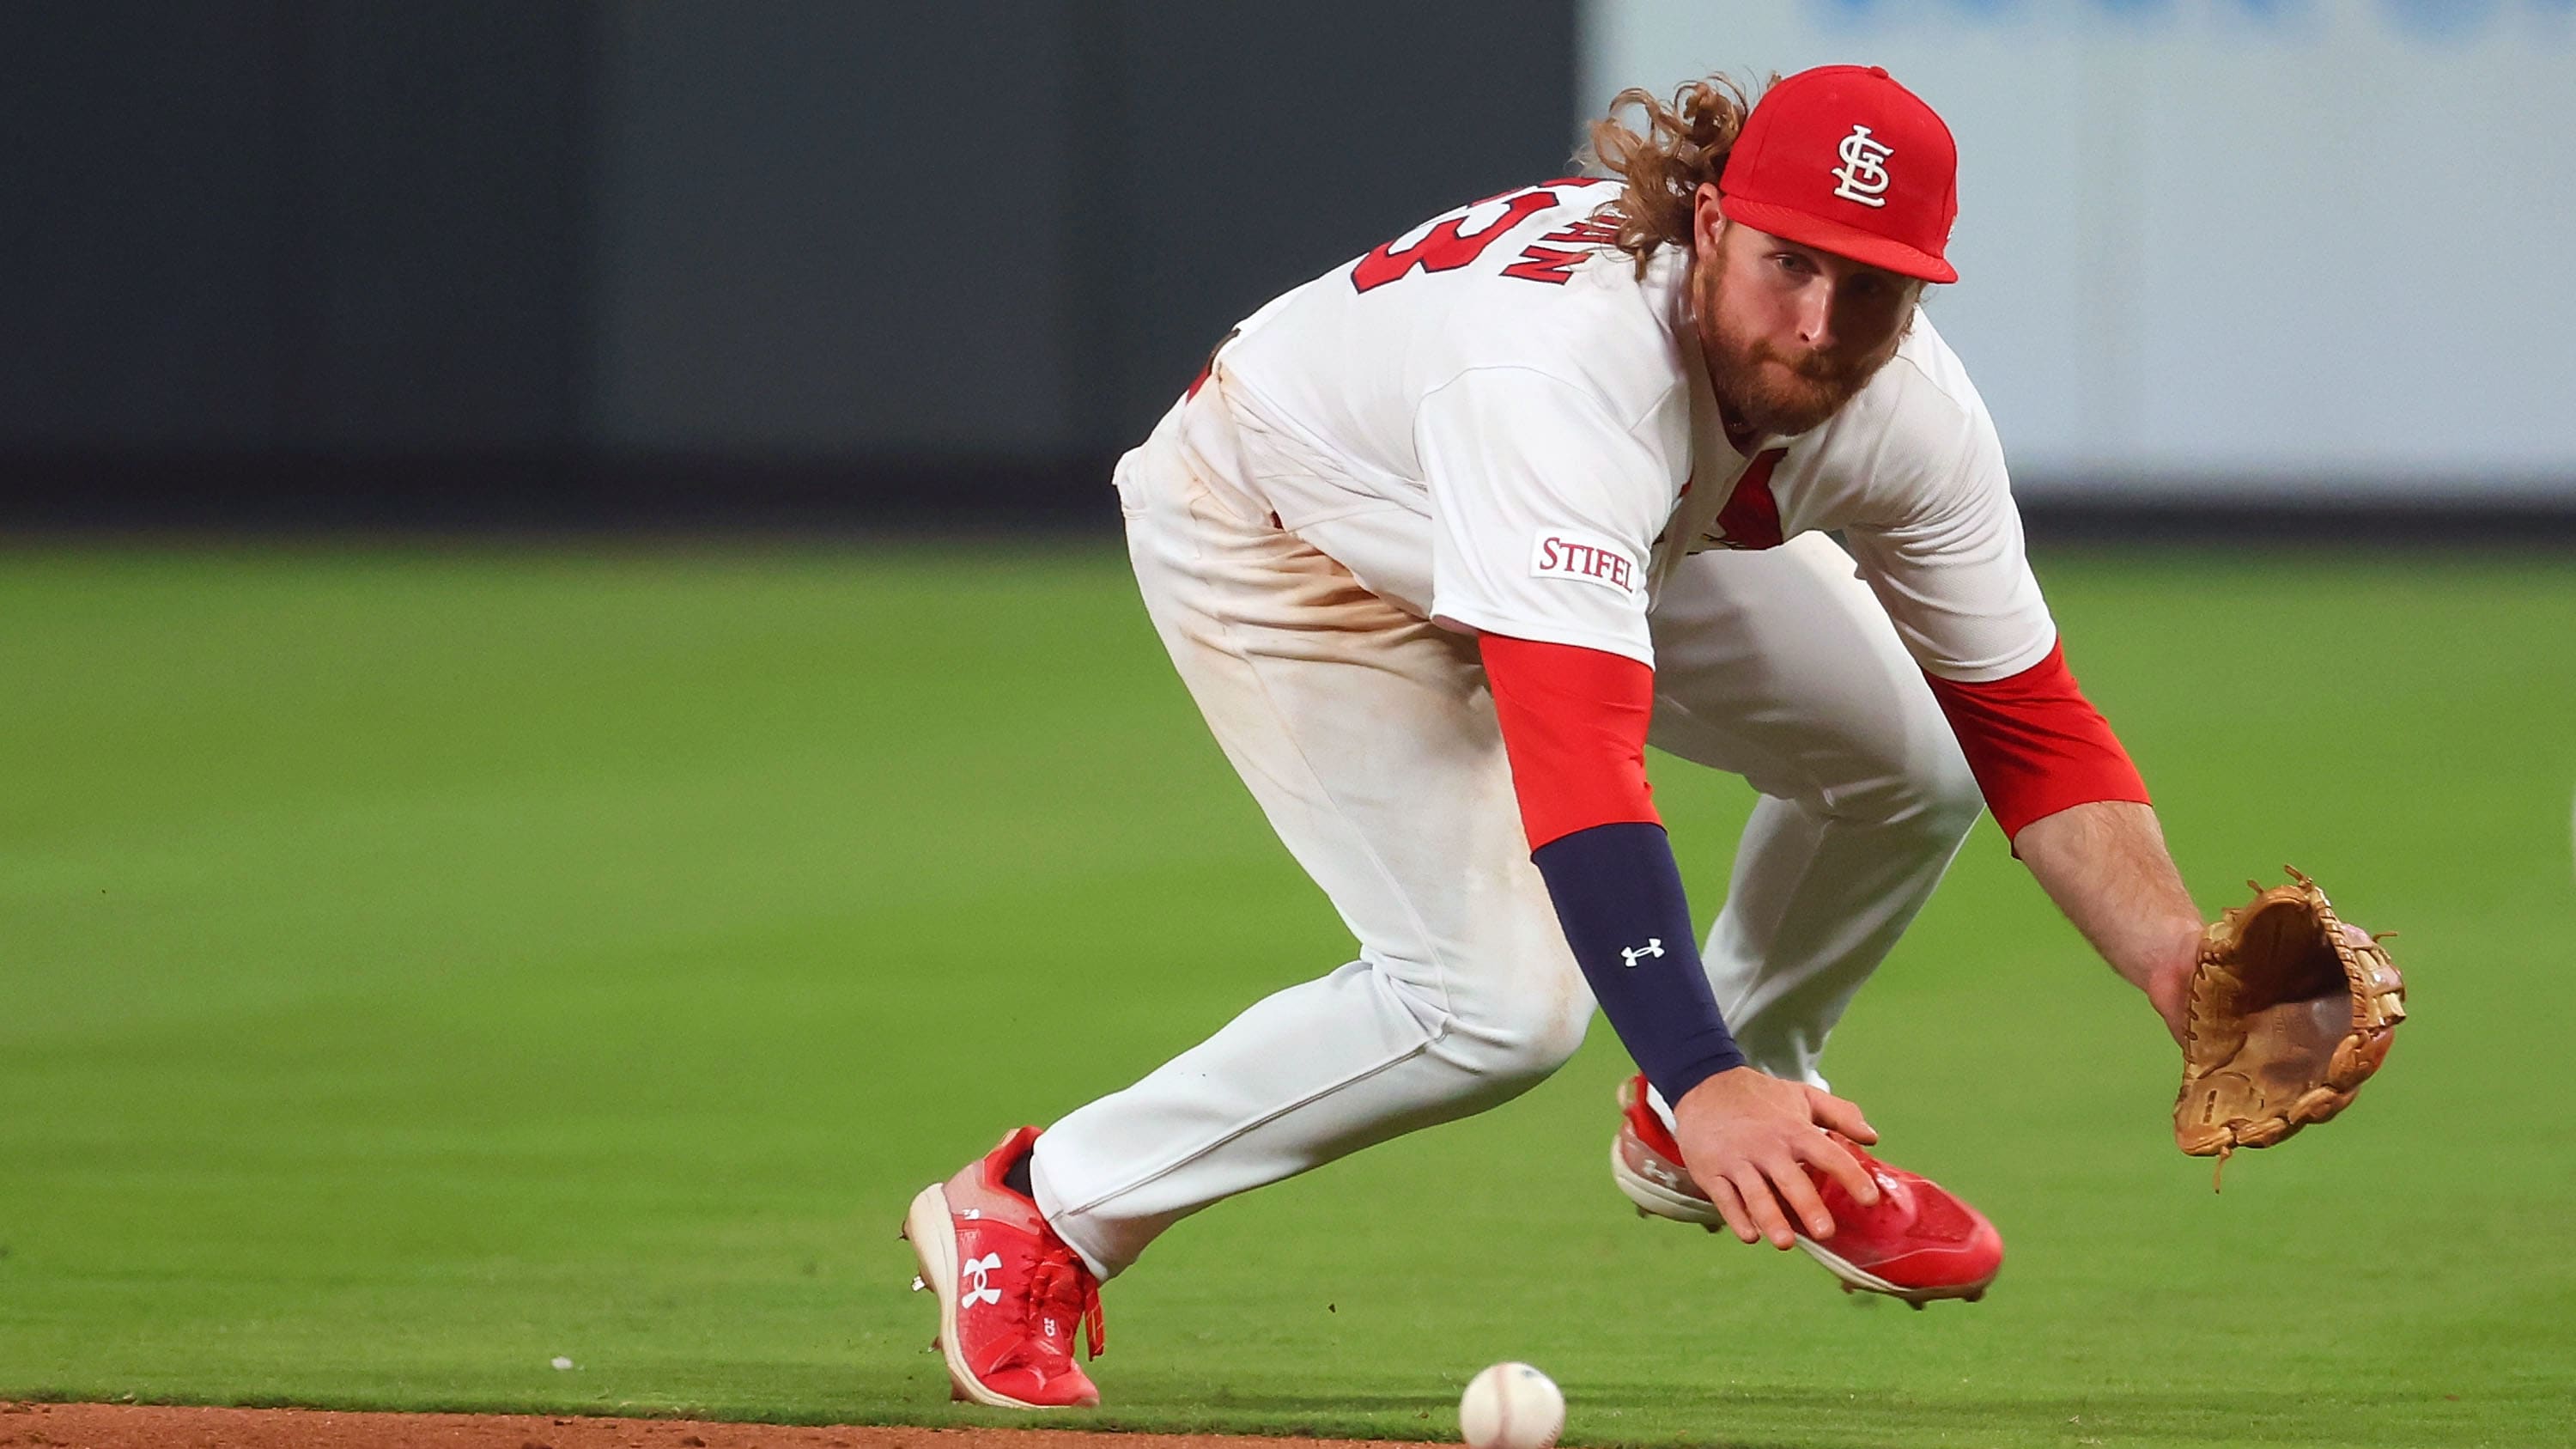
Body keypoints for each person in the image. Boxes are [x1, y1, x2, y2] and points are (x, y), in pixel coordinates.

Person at [899, 64, 2213, 1409]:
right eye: (1789, 264)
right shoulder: (1560, 374)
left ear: (1922, 288)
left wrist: (2179, 962)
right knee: (1496, 1010)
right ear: (1711, 224)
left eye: (1870, 284)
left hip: (1619, 526)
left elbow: (2025, 720)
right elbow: (1580, 765)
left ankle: (1725, 1104)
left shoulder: (1908, 416)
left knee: (1913, 760)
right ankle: (1045, 1206)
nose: (1820, 324)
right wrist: (1695, 1066)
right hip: (1296, 534)